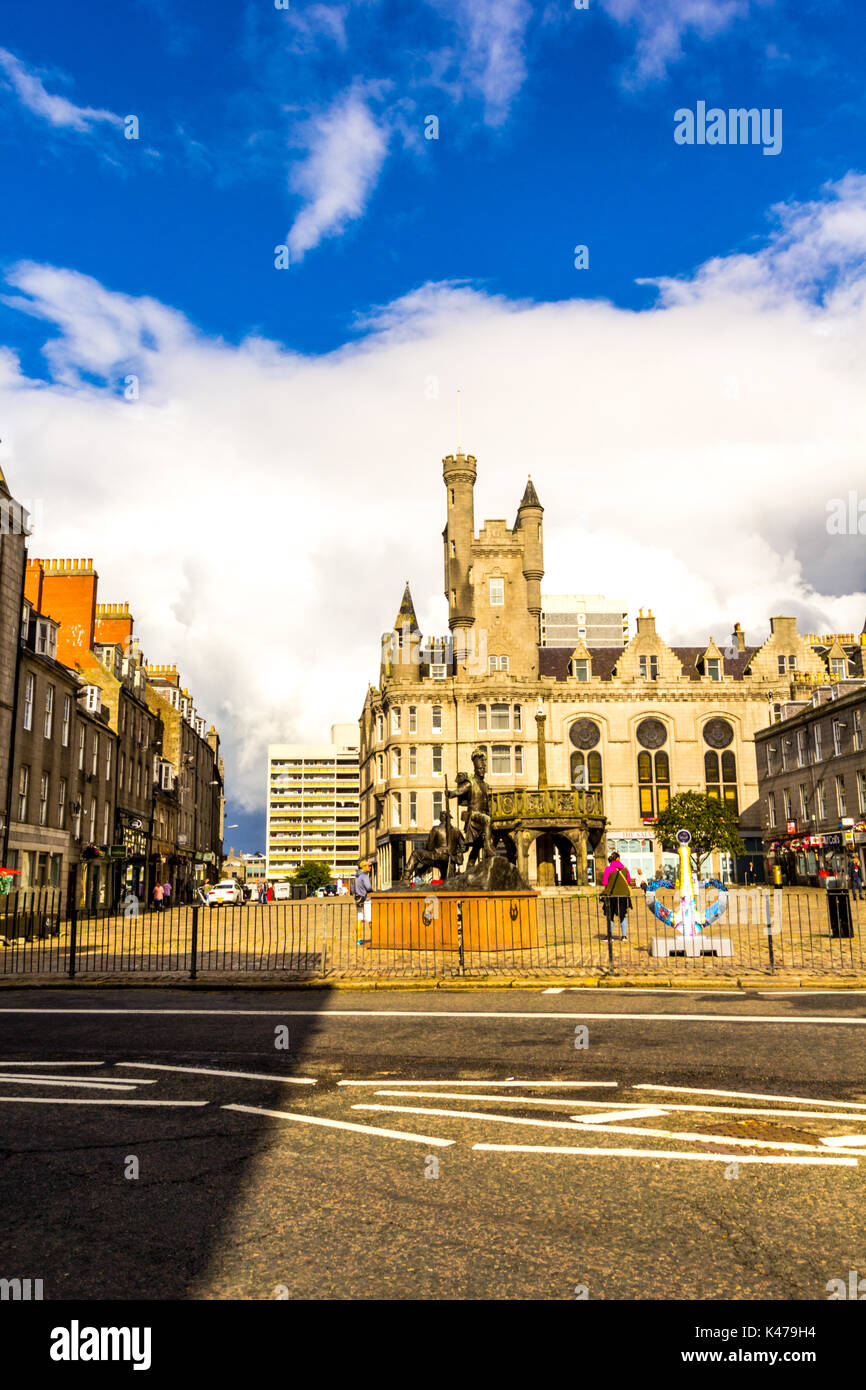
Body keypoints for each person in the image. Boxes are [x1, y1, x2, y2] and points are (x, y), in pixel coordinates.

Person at [601, 851, 632, 942]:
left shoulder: (608, 869)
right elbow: (628, 881)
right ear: (618, 859)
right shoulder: (625, 870)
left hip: (612, 896)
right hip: (623, 896)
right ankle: (624, 936)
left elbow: (605, 882)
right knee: (622, 915)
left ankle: (610, 937)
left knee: (610, 916)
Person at [353, 861, 373, 946]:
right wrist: (371, 891)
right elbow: (368, 887)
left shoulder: (356, 876)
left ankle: (359, 939)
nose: (370, 867)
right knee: (369, 918)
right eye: (369, 866)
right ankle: (375, 936)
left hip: (358, 899)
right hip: (366, 899)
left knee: (359, 918)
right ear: (364, 867)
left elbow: (352, 889)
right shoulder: (364, 876)